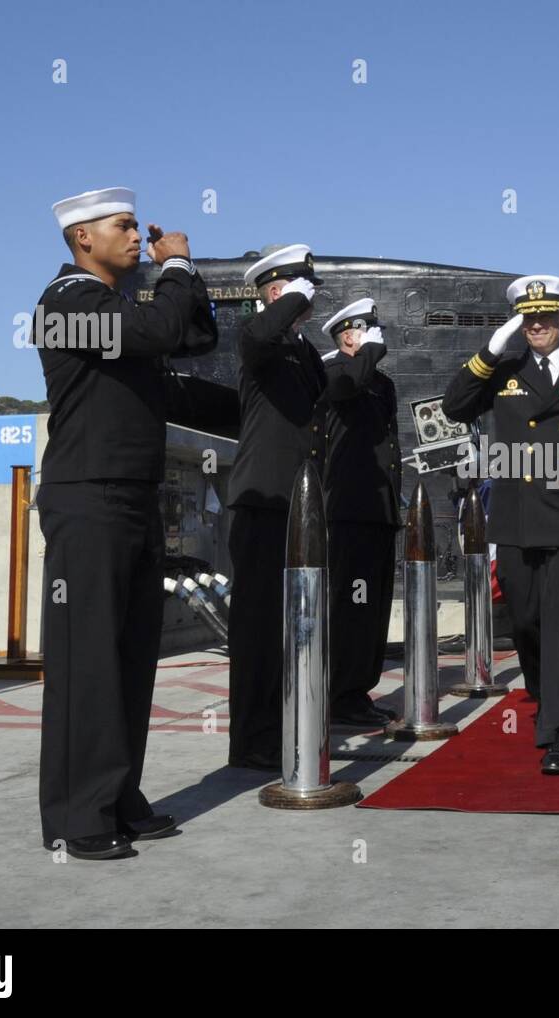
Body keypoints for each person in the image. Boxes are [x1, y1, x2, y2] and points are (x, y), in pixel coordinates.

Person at [36, 187, 218, 860]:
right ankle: (78, 815)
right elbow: (158, 330)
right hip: (88, 496)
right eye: (124, 225)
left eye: (140, 226)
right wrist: (172, 273)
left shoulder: (118, 306)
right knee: (89, 662)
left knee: (130, 657)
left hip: (135, 496)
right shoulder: (65, 303)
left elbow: (194, 335)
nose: (139, 235)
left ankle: (118, 795)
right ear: (83, 238)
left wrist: (185, 275)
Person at [443, 276, 559, 775]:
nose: (538, 325)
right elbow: (454, 405)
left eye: (547, 317)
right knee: (526, 622)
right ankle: (545, 696)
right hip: (515, 520)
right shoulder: (501, 371)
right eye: (529, 319)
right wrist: (488, 349)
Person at [225, 245, 326, 769]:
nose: (310, 299)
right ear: (274, 290)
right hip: (263, 503)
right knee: (259, 630)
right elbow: (259, 334)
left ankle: (283, 724)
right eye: (299, 288)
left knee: (294, 626)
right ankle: (252, 741)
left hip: (298, 505)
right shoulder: (261, 340)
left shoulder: (301, 350)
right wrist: (288, 303)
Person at [317, 298, 403, 727]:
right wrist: (366, 354)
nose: (376, 337)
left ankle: (358, 689)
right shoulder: (333, 371)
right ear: (349, 335)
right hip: (348, 510)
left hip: (379, 511)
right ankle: (338, 693)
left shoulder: (381, 383)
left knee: (372, 608)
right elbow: (344, 390)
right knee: (349, 607)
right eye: (367, 330)